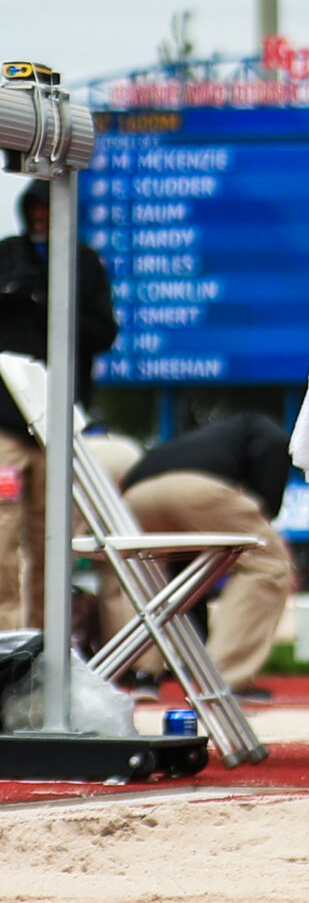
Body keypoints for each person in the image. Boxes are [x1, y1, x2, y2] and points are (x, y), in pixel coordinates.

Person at [0, 178, 120, 630]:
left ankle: (44, 641)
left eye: (48, 208)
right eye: (34, 208)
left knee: (53, 539)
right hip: (5, 426)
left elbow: (104, 333)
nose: (40, 217)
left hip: (58, 426)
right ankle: (5, 636)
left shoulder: (83, 263)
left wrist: (49, 306)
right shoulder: (6, 255)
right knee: (2, 533)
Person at [110, 412, 295, 697]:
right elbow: (273, 450)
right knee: (267, 562)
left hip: (136, 496)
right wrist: (266, 511)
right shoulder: (260, 427)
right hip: (197, 489)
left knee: (149, 572)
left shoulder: (204, 439)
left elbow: (187, 579)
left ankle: (144, 673)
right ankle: (226, 676)